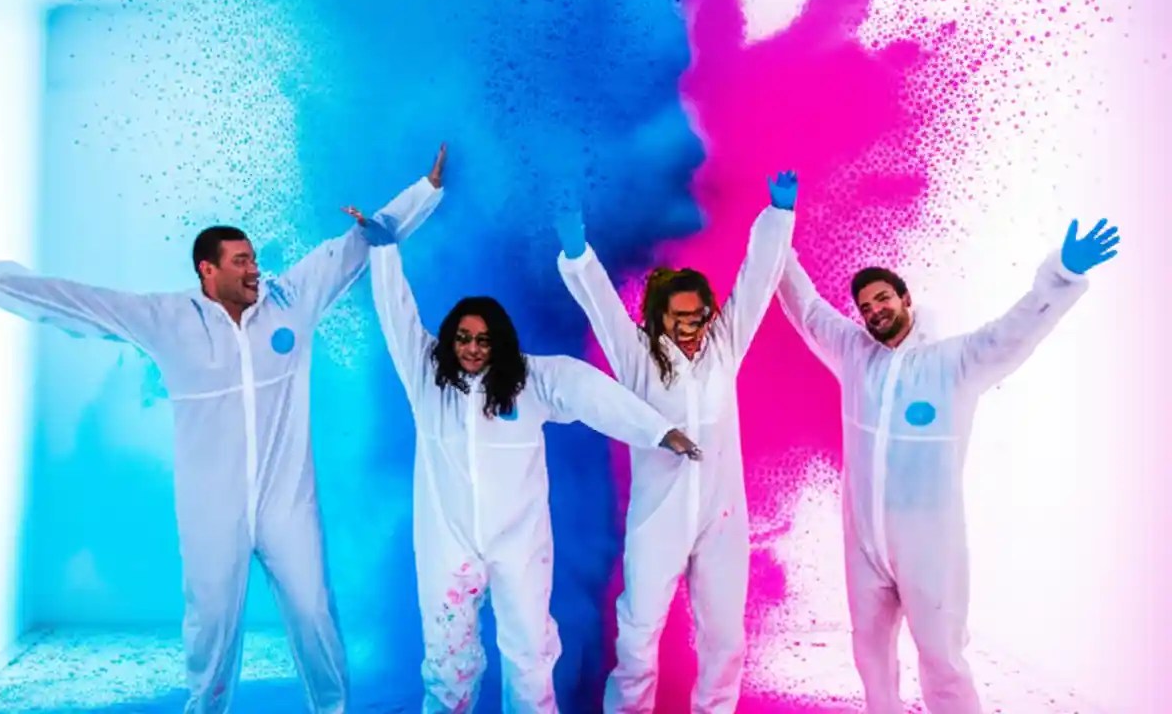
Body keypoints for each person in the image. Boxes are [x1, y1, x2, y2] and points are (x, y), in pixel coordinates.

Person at [0, 145, 450, 714]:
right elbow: (83, 305)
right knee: (211, 626)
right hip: (213, 510)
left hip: (287, 503)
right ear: (207, 270)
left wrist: (424, 191)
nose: (254, 267)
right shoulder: (168, 319)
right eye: (240, 261)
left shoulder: (288, 300)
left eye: (254, 257)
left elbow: (354, 247)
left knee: (313, 613)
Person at [345, 202, 701, 713]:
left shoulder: (530, 379)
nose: (471, 348)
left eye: (483, 340)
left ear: (500, 343)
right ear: (449, 340)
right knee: (447, 658)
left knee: (530, 652)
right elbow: (398, 314)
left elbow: (591, 392)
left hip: (520, 542)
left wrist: (659, 430)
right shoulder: (428, 377)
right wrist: (383, 251)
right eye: (463, 338)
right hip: (448, 542)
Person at [773, 216, 1120, 714]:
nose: (874, 312)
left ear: (906, 299)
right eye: (866, 307)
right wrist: (777, 232)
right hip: (864, 542)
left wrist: (1062, 273)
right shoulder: (853, 352)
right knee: (871, 657)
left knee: (941, 658)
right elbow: (805, 308)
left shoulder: (954, 362)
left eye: (883, 300)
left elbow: (1015, 331)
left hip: (928, 545)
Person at [553, 172, 799, 713]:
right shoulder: (637, 356)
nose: (692, 327)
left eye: (699, 316)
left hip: (721, 519)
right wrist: (577, 253)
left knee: (726, 641)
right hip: (656, 521)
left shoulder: (723, 345)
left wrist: (778, 216)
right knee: (639, 634)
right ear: (659, 316)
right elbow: (602, 308)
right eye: (679, 317)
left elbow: (756, 283)